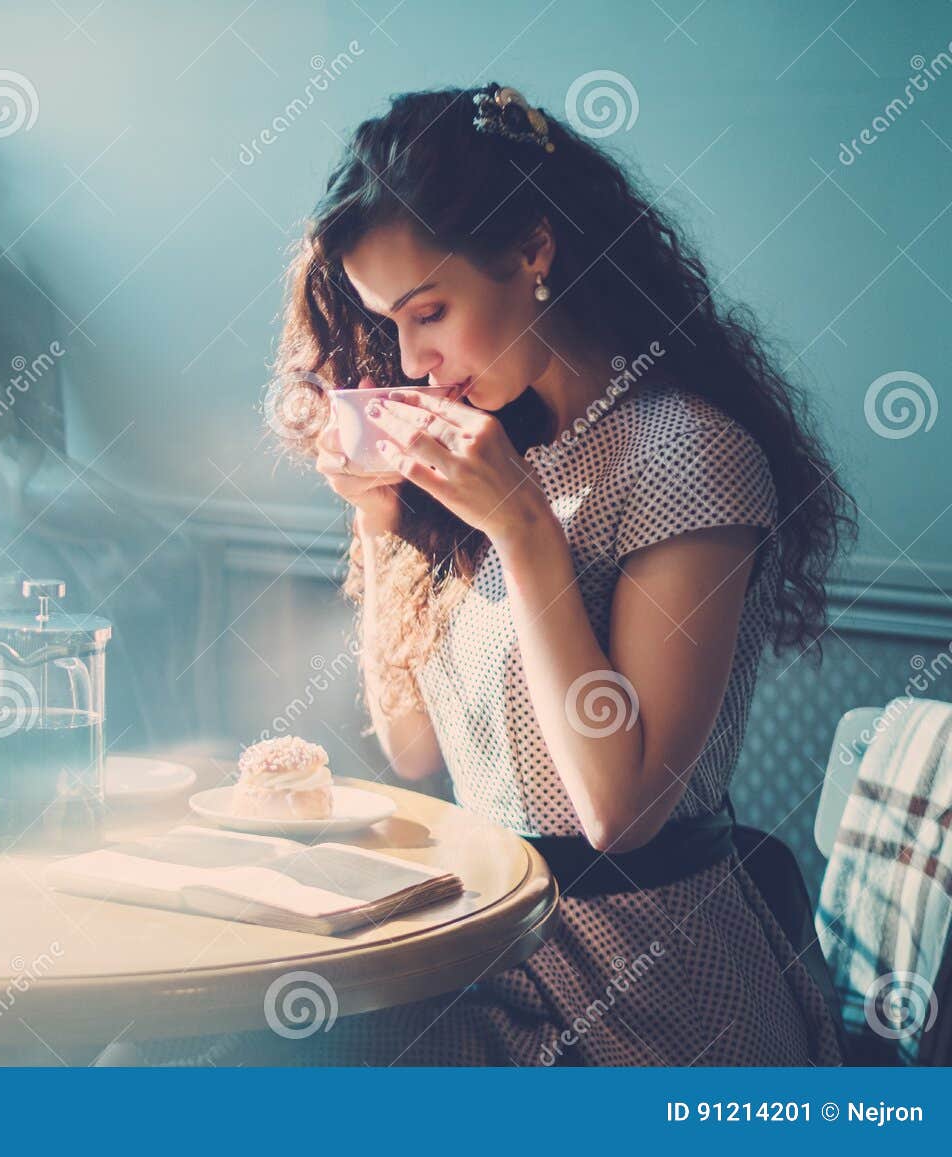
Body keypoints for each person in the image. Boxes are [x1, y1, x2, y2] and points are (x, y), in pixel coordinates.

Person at [126, 82, 857, 1066]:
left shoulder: (688, 455)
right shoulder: (496, 453)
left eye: (429, 312)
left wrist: (521, 528)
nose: (413, 361)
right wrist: (379, 521)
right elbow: (413, 742)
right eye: (388, 325)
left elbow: (619, 810)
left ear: (532, 251)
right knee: (176, 1056)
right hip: (492, 943)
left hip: (649, 987)